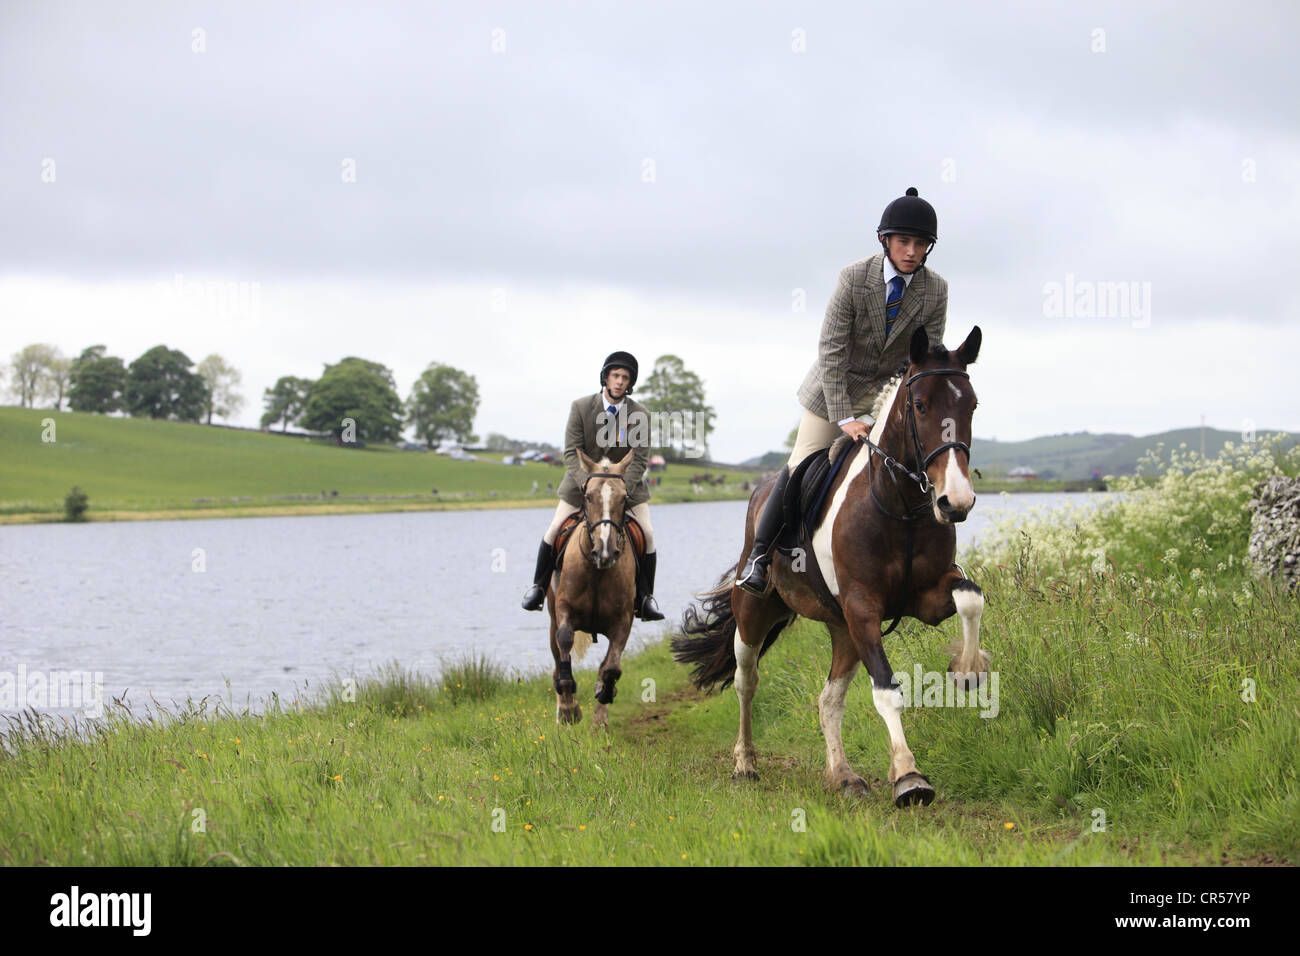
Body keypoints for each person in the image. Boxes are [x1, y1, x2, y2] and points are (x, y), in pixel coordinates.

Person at [737, 187, 949, 595]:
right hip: (834, 389)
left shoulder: (936, 290)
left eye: (920, 244)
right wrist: (846, 417)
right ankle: (759, 558)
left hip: (887, 394)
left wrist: (894, 406)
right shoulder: (854, 277)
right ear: (885, 240)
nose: (912, 251)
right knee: (800, 464)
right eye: (904, 241)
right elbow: (831, 350)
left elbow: (925, 355)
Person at [521, 351, 664, 620]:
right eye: (616, 376)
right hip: (581, 487)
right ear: (606, 378)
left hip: (625, 491)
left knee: (648, 533)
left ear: (630, 382)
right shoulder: (581, 407)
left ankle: (646, 598)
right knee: (553, 530)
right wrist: (587, 484)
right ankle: (537, 588)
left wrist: (622, 488)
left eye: (625, 377)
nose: (620, 381)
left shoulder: (640, 415)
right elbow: (571, 453)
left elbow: (640, 459)